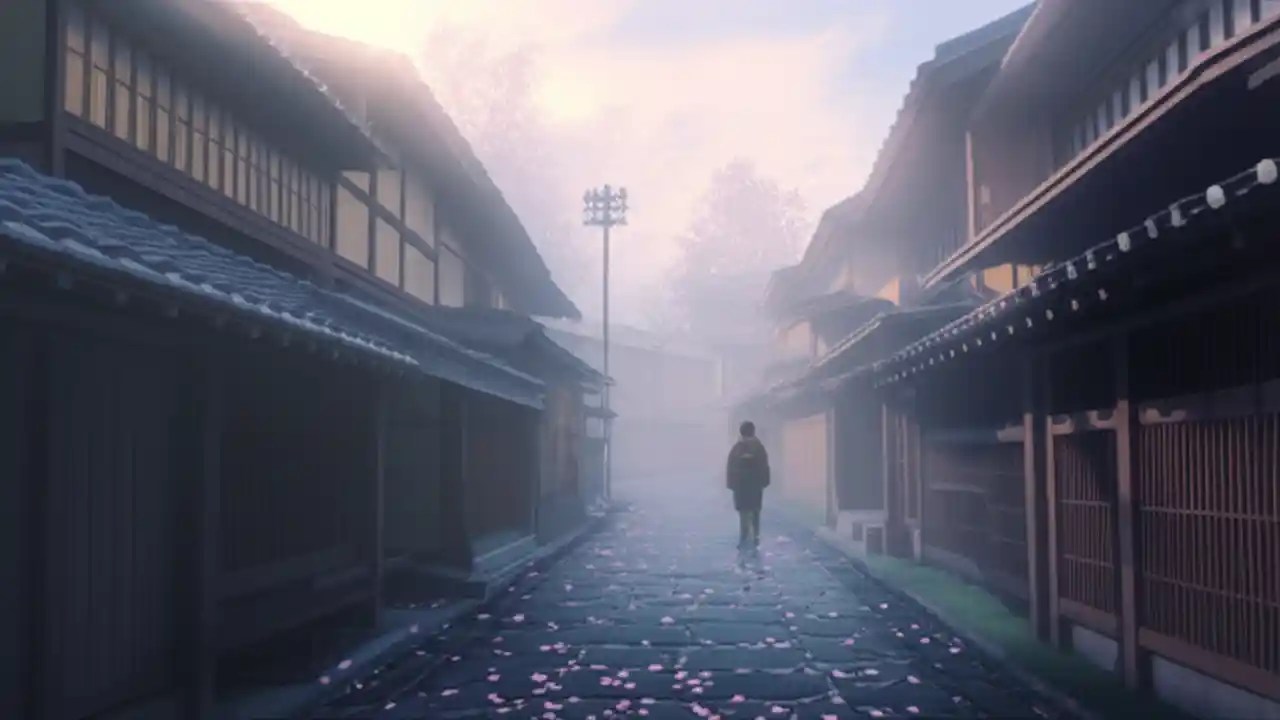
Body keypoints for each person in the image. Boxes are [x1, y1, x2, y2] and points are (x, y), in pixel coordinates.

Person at [726, 421, 770, 550]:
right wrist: (764, 482)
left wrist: (732, 485)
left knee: (744, 514)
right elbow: (765, 467)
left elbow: (730, 467)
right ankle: (755, 537)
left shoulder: (737, 448)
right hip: (755, 487)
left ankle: (744, 538)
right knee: (755, 512)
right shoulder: (759, 447)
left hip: (741, 487)